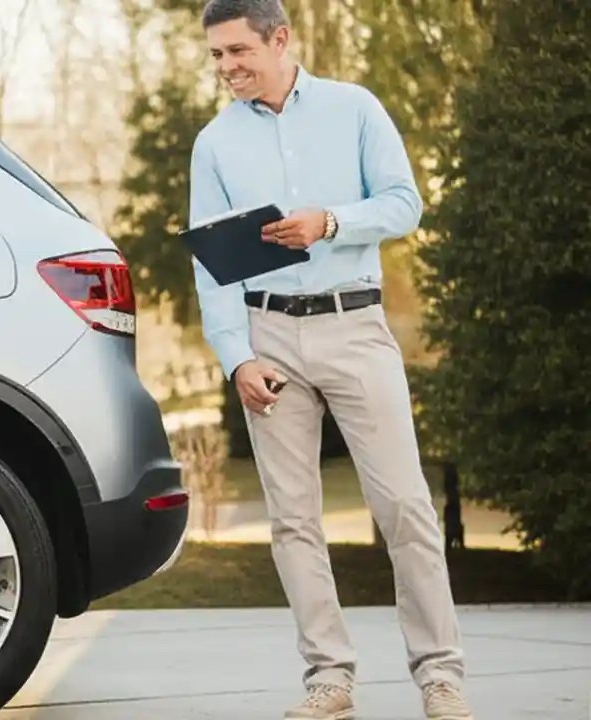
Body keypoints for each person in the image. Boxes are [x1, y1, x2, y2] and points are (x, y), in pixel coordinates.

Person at [187, 2, 474, 719]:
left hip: (356, 328)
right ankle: (329, 679)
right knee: (292, 522)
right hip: (269, 338)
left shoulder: (354, 109)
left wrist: (332, 221)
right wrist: (235, 359)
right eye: (215, 56)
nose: (224, 68)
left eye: (236, 52)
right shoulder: (214, 144)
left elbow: (406, 203)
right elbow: (213, 269)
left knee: (404, 507)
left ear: (280, 39)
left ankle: (440, 676)